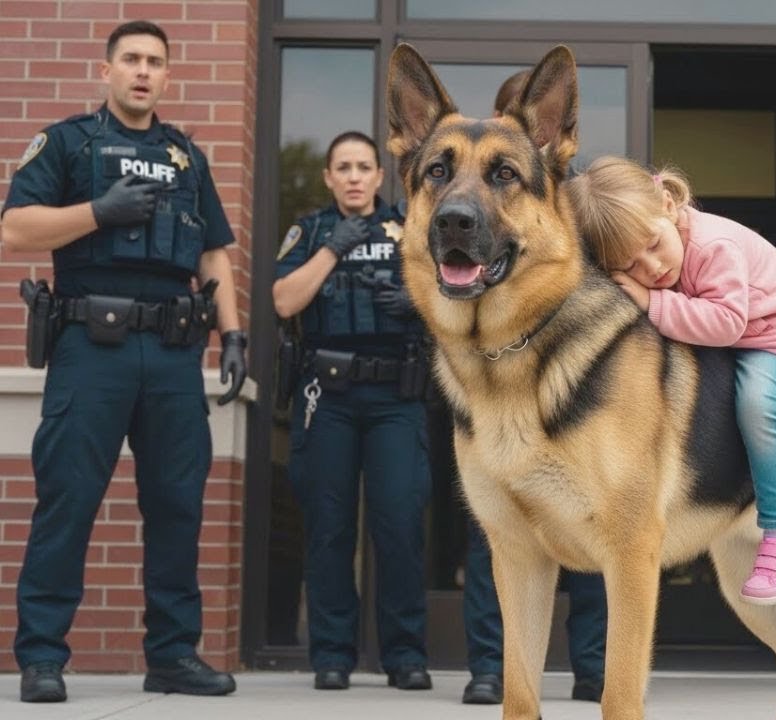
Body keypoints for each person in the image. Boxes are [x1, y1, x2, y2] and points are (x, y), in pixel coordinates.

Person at [1, 21, 244, 703]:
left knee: (177, 507)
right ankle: (41, 657)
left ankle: (173, 655)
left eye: (154, 62)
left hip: (173, 352)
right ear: (105, 70)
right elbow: (15, 228)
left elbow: (213, 252)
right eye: (131, 59)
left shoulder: (186, 158)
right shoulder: (68, 143)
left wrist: (232, 335)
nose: (143, 71)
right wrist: (98, 212)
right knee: (68, 499)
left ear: (167, 76)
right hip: (91, 347)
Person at [566, 156, 776, 608]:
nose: (652, 268)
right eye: (631, 266)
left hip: (774, 330)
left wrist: (650, 301)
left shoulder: (713, 246)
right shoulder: (661, 253)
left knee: (756, 404)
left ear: (668, 204)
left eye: (653, 244)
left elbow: (725, 322)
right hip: (729, 331)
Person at [460, 67, 607, 706]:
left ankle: (594, 667)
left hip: (575, 380)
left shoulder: (583, 199)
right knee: (496, 537)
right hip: (489, 379)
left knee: (596, 531)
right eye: (505, 115)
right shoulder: (463, 190)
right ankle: (492, 668)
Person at [272, 131, 432, 691]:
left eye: (364, 167)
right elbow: (284, 301)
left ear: (380, 175)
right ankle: (332, 654)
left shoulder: (411, 228)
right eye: (344, 167)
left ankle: (405, 655)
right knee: (329, 526)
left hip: (396, 396)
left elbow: (455, 298)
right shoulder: (312, 231)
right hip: (328, 396)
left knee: (400, 525)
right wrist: (333, 249)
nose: (355, 177)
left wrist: (417, 301)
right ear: (329, 177)